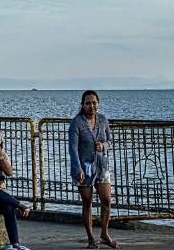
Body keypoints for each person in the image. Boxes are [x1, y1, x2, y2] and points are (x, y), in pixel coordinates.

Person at [68, 90, 116, 249]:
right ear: (82, 105)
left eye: (94, 102)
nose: (91, 106)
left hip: (102, 166)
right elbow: (73, 149)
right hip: (84, 168)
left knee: (106, 200)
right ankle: (90, 238)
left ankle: (104, 233)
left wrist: (103, 146)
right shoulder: (77, 123)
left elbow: (110, 141)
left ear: (98, 103)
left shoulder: (103, 120)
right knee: (87, 202)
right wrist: (78, 168)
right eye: (88, 103)